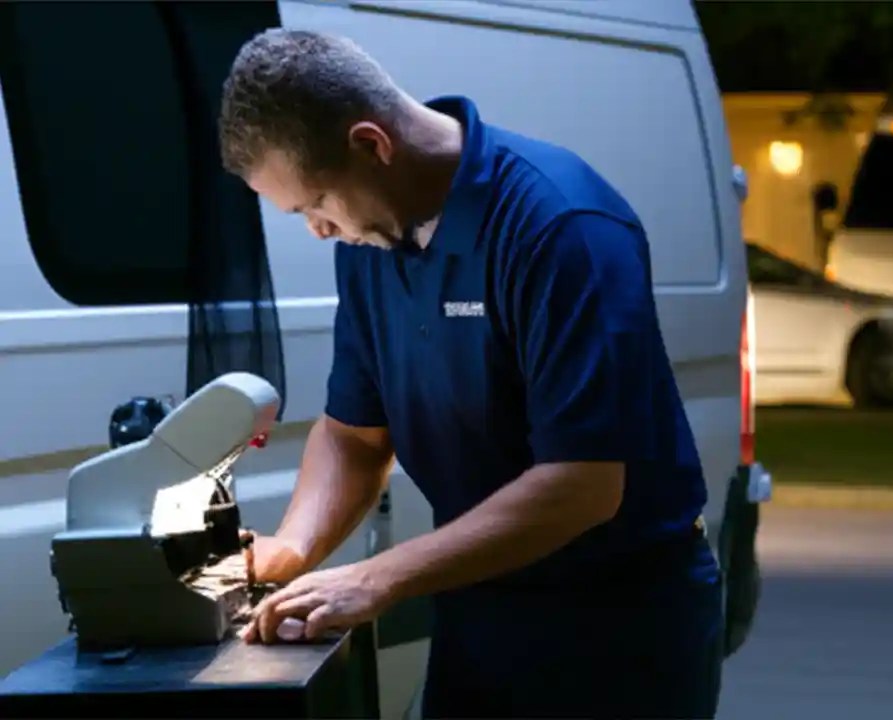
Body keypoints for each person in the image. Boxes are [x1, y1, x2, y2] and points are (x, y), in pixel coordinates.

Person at [217, 29, 723, 719]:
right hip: (480, 609)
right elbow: (355, 436)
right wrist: (291, 549)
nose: (317, 230)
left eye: (314, 204)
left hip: (617, 626)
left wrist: (377, 578)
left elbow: (583, 485)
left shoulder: (560, 223)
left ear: (372, 144)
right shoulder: (371, 238)